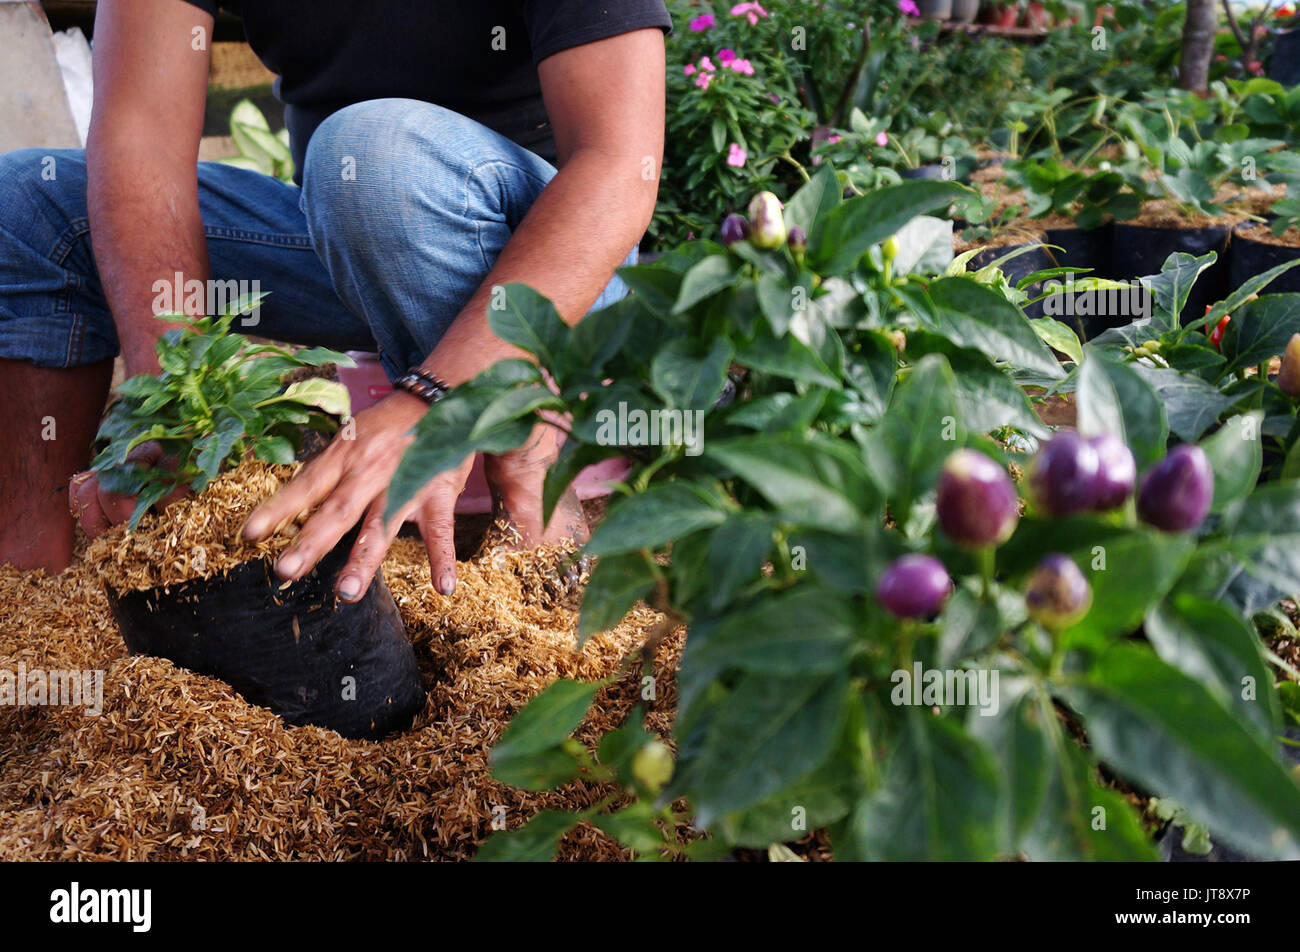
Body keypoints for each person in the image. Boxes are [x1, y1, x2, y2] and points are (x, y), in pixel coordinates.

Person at [0, 0, 670, 600]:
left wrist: (436, 399)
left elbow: (619, 170)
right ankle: (34, 591)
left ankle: (531, 476)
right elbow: (139, 141)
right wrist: (174, 406)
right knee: (27, 205)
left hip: (559, 273)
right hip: (346, 243)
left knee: (370, 157)